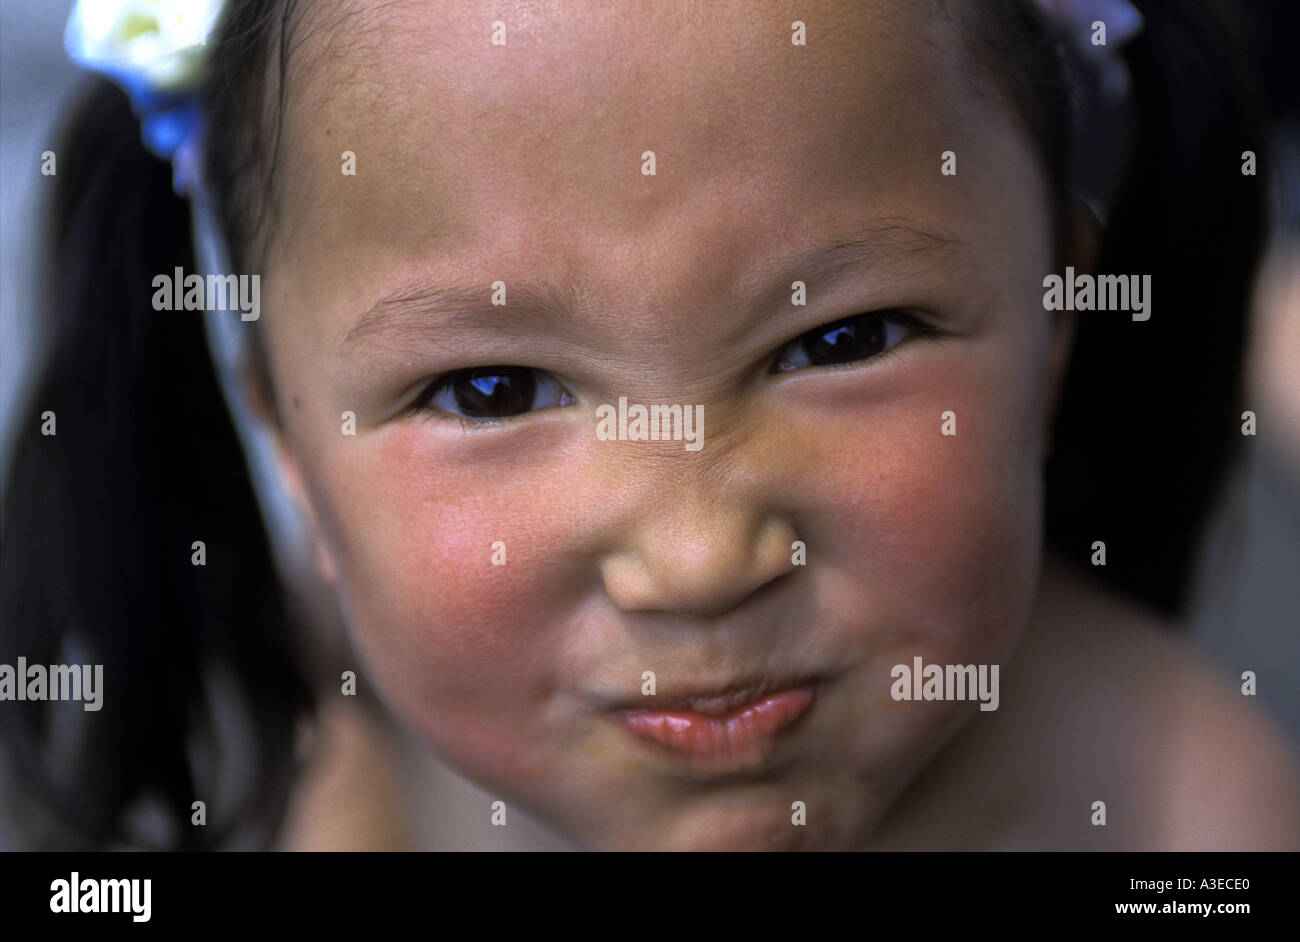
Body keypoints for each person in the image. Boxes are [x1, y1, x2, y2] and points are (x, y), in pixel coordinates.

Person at [2, 0, 1297, 850]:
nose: (697, 557)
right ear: (286, 440)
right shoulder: (334, 727)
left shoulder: (1185, 812)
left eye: (841, 340)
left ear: (1055, 316)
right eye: (492, 390)